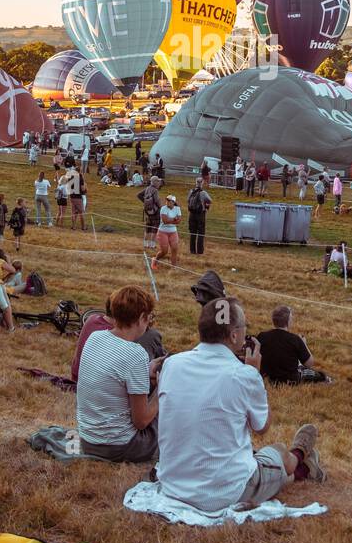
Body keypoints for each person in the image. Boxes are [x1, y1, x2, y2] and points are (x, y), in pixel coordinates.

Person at [156, 296, 325, 512]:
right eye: (245, 326)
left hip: (173, 484)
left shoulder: (172, 364)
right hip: (226, 490)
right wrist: (254, 374)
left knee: (254, 453)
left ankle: (300, 462)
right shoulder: (243, 375)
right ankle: (301, 460)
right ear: (235, 334)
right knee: (279, 452)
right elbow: (262, 427)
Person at [75, 285, 162, 462]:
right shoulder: (136, 354)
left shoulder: (96, 337)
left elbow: (114, 376)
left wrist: (146, 369)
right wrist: (162, 387)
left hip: (86, 438)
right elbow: (142, 421)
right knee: (166, 405)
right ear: (141, 318)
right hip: (118, 446)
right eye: (149, 317)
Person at [257, 307, 330, 385]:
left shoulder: (262, 336)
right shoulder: (295, 339)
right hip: (290, 380)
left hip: (267, 378)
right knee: (319, 374)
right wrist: (304, 344)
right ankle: (326, 379)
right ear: (288, 321)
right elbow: (309, 363)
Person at [151, 194, 181, 271]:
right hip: (162, 231)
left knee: (174, 249)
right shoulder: (163, 208)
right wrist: (174, 219)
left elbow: (179, 221)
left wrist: (171, 220)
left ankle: (174, 267)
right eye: (166, 200)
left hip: (173, 231)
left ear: (173, 202)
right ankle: (155, 260)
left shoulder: (177, 209)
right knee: (164, 251)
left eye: (169, 200)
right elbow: (164, 221)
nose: (167, 202)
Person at [187, 176, 212, 256]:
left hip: (192, 214)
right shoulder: (203, 193)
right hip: (200, 214)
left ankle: (192, 250)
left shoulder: (191, 191)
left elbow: (188, 200)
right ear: (202, 183)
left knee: (192, 233)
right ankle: (200, 251)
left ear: (195, 182)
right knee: (200, 233)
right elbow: (209, 200)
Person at [139, 175, 162, 250]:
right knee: (154, 228)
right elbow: (157, 201)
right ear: (154, 182)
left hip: (147, 211)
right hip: (155, 211)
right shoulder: (155, 190)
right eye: (158, 181)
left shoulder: (147, 188)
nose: (159, 182)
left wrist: (145, 202)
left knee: (148, 227)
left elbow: (139, 195)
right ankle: (152, 245)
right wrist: (161, 208)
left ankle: (145, 244)